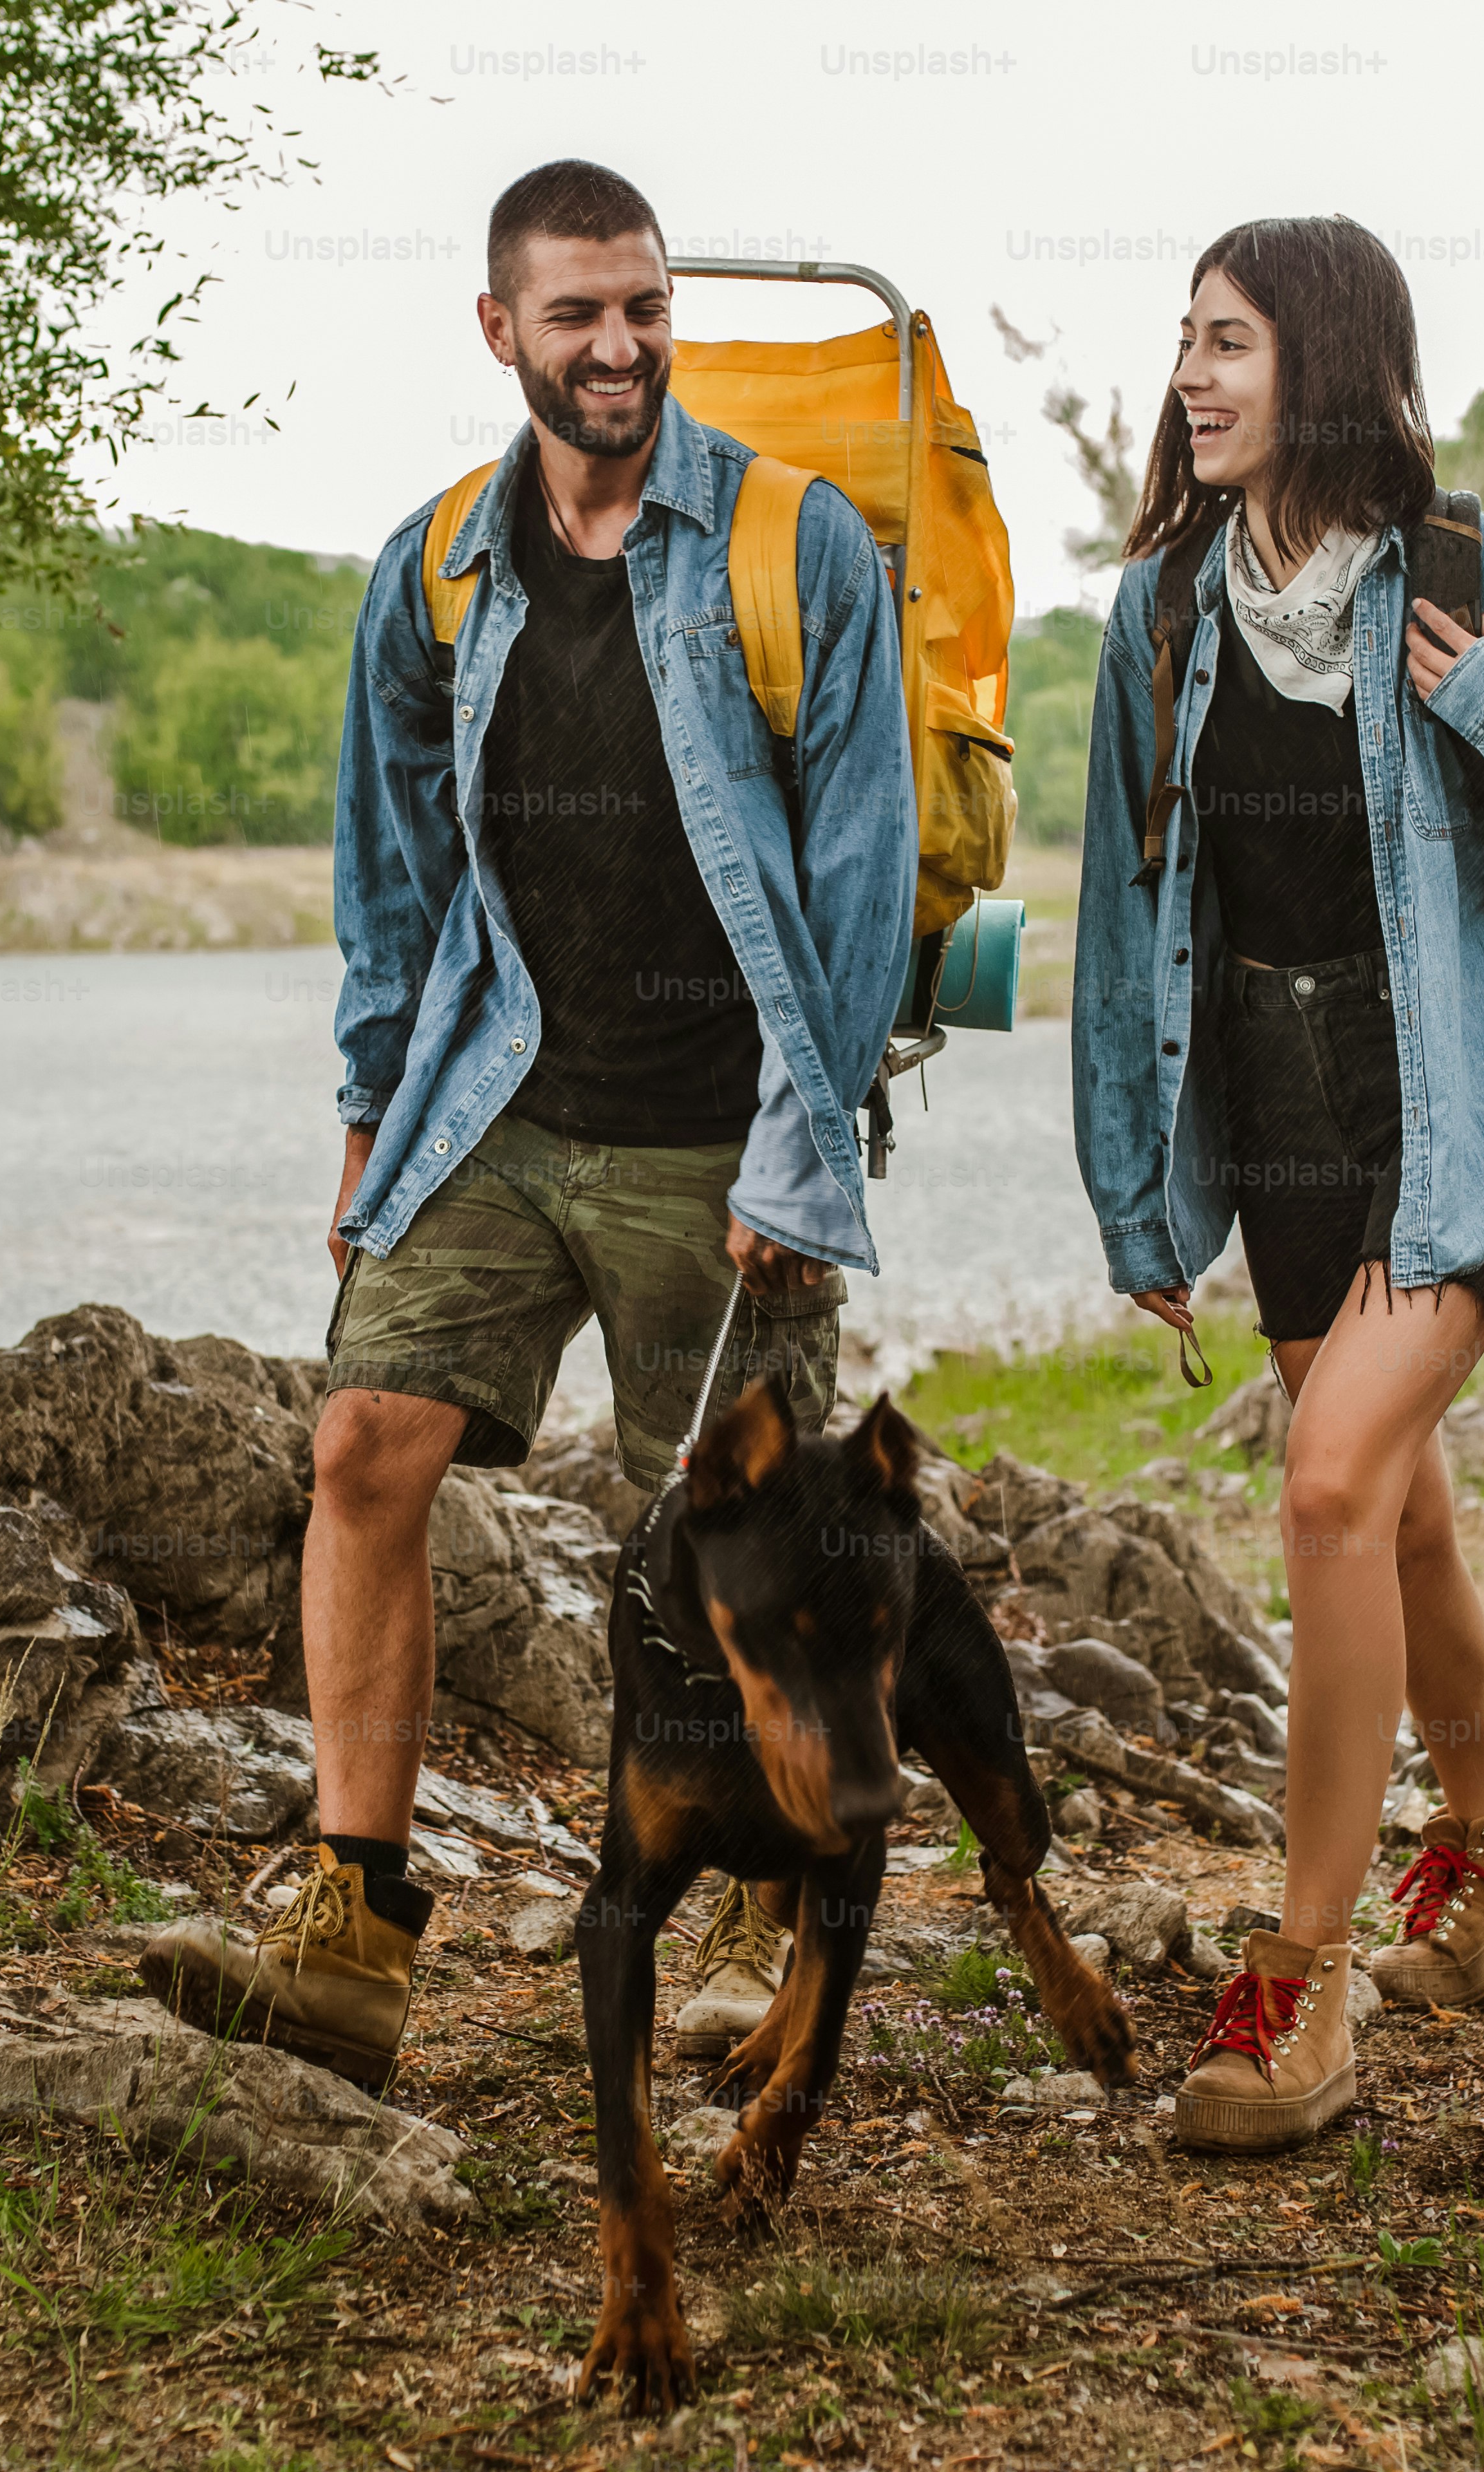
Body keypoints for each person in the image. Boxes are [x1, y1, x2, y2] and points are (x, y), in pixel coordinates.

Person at [143, 160, 918, 2088]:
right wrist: (363, 1125)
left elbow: (859, 874)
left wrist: (798, 1161)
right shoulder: (438, 570)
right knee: (358, 1452)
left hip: (714, 1144)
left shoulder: (792, 545)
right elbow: (392, 876)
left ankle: (764, 1925)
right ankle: (350, 1929)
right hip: (494, 1104)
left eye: (644, 308)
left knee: (740, 1553)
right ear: (501, 329)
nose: (620, 348)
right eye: (576, 314)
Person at [1068, 217, 1484, 2153]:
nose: (1193, 380)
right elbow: (1118, 926)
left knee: (1325, 1487)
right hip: (1279, 1103)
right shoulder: (1158, 614)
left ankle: (1299, 1986)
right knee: (1400, 1527)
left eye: (1227, 343)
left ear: (1321, 359)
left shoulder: (1478, 576)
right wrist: (1142, 1200)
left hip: (1464, 1097)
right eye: (1184, 345)